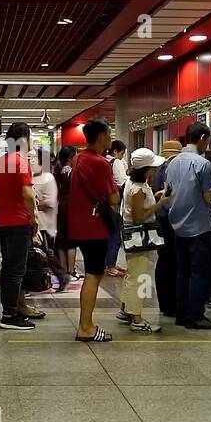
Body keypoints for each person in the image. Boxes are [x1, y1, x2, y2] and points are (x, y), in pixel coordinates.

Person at [166, 122, 211, 329]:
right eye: (208, 140)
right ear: (202, 138)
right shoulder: (203, 164)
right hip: (199, 228)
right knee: (200, 273)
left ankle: (181, 314)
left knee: (182, 272)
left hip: (178, 226)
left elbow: (169, 192)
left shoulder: (173, 163)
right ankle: (195, 316)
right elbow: (208, 197)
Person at [68, 117, 119, 342]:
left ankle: (85, 324)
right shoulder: (99, 162)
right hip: (95, 225)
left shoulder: (79, 158)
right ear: (100, 136)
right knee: (93, 276)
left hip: (80, 223)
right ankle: (86, 326)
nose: (110, 138)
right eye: (108, 134)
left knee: (92, 274)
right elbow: (113, 197)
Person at [0, 123, 43, 331]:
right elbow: (27, 194)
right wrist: (33, 219)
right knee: (16, 271)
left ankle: (11, 309)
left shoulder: (1, 161)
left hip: (2, 222)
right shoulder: (21, 162)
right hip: (18, 222)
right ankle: (10, 315)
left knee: (8, 269)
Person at [118, 148, 169, 332]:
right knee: (139, 277)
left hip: (133, 236)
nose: (154, 170)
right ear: (145, 169)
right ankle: (137, 319)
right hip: (140, 236)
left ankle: (126, 309)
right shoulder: (138, 189)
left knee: (132, 274)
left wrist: (153, 198)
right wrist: (160, 203)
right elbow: (139, 217)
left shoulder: (133, 183)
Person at [151, 140, 182, 317]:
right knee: (172, 261)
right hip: (170, 220)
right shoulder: (171, 168)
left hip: (160, 219)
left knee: (164, 261)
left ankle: (165, 303)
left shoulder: (158, 169)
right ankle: (172, 304)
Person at [31, 148, 69, 292]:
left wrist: (31, 205)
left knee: (47, 252)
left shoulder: (48, 178)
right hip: (37, 222)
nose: (32, 161)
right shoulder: (35, 177)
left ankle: (61, 276)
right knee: (43, 252)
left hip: (45, 223)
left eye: (35, 158)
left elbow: (50, 202)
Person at [54, 146, 79, 280]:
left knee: (62, 239)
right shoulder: (73, 173)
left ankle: (62, 269)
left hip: (60, 206)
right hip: (71, 206)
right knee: (71, 241)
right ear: (70, 158)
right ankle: (71, 270)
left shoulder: (58, 170)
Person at [105, 139, 128, 277]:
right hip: (115, 204)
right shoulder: (116, 162)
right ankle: (111, 265)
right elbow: (122, 181)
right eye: (122, 153)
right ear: (115, 151)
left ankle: (108, 263)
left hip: (104, 204)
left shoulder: (104, 161)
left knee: (107, 235)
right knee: (115, 235)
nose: (122, 156)